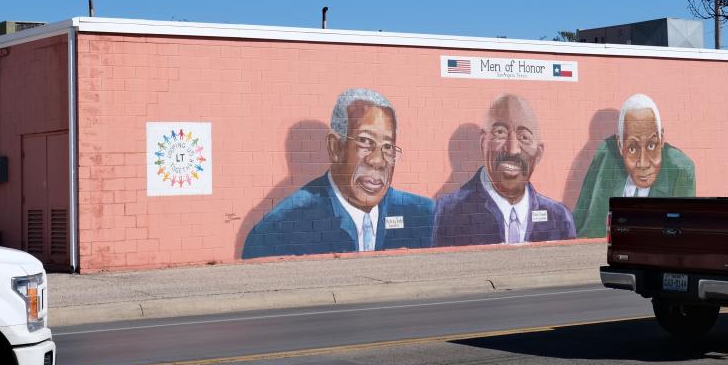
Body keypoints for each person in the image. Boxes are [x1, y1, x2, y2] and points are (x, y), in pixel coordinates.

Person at [242, 88, 435, 258]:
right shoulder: (278, 231)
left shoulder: (426, 216)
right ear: (335, 148)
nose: (378, 160)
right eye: (365, 141)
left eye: (387, 146)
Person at [433, 94, 576, 246]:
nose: (512, 149)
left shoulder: (559, 217)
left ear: (539, 153)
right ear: (483, 143)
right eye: (500, 132)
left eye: (524, 137)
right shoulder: (450, 211)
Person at [572, 93, 696, 238]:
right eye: (632, 148)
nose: (643, 163)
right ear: (620, 145)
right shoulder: (605, 153)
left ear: (661, 139)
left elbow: (681, 232)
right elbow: (580, 216)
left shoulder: (681, 169)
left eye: (651, 145)